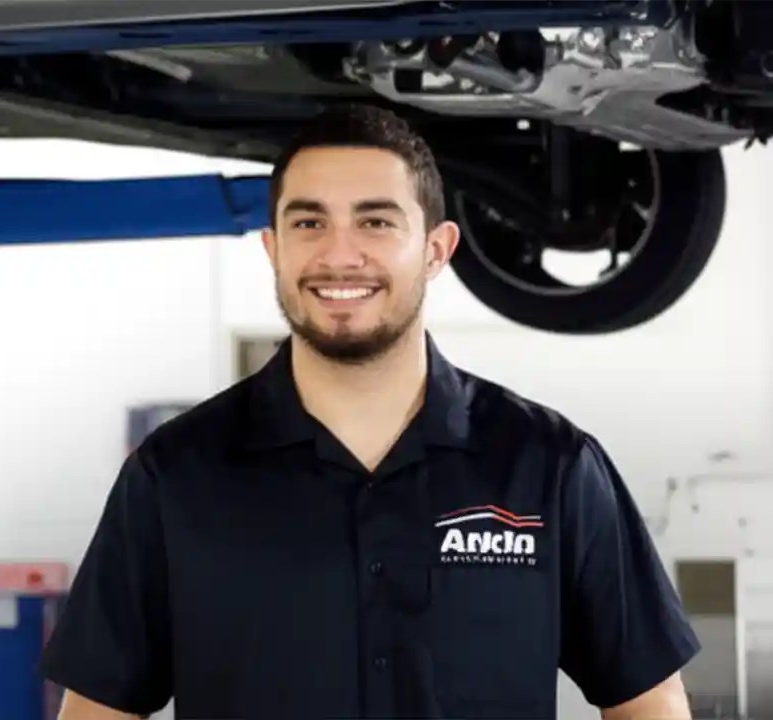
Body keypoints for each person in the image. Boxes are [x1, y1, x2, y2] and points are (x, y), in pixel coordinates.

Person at [37, 105, 700, 719]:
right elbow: (98, 711)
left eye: (376, 221)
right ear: (274, 248)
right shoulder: (174, 477)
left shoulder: (549, 467)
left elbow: (650, 704)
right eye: (309, 222)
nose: (339, 254)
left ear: (438, 249)